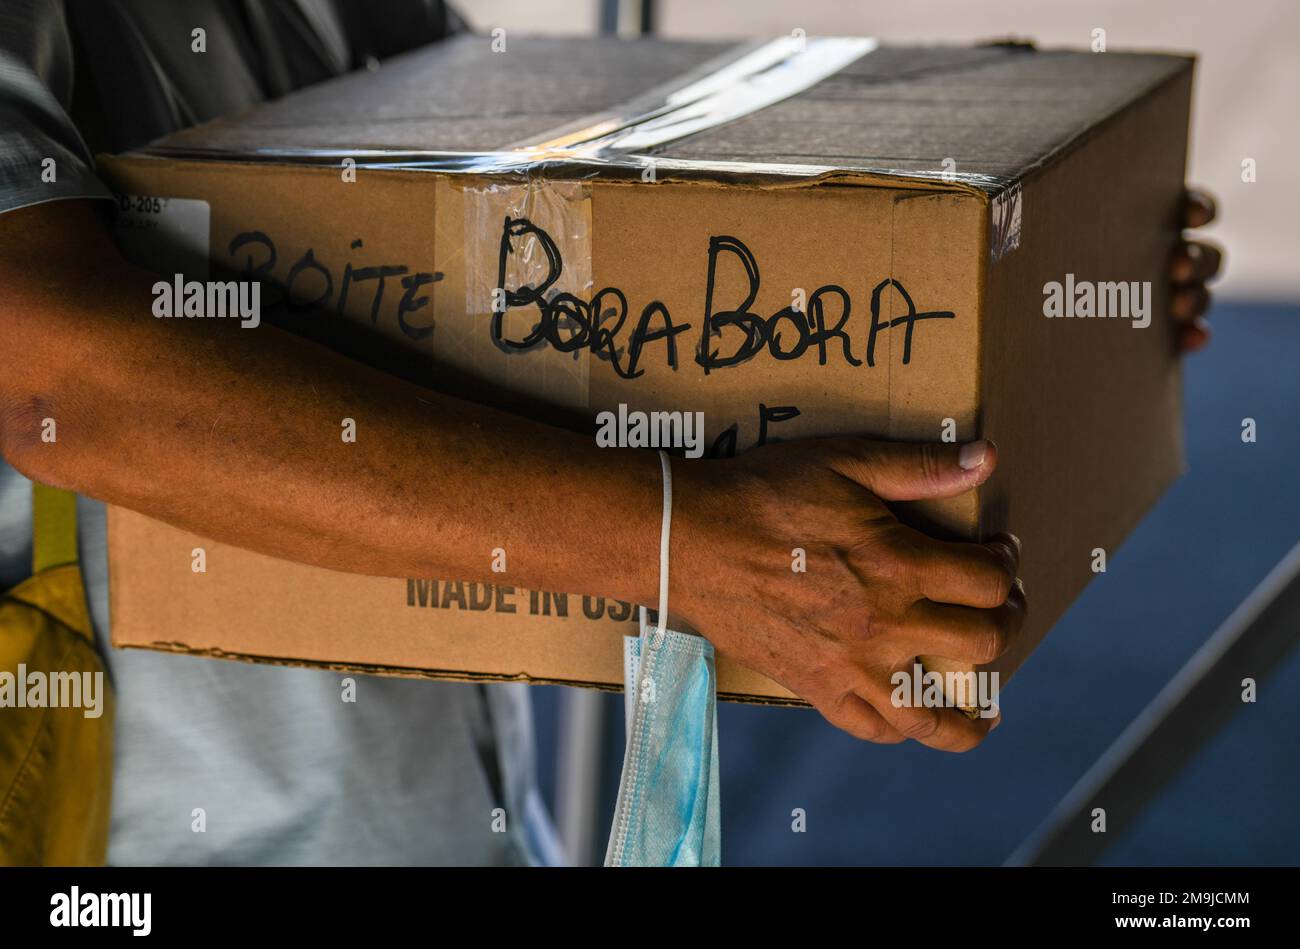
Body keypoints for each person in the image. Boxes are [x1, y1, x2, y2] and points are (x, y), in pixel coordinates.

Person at [0, 0, 1222, 865]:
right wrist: (687, 542)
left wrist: (1038, 265)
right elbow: (55, 379)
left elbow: (505, 230)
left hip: (426, 804)